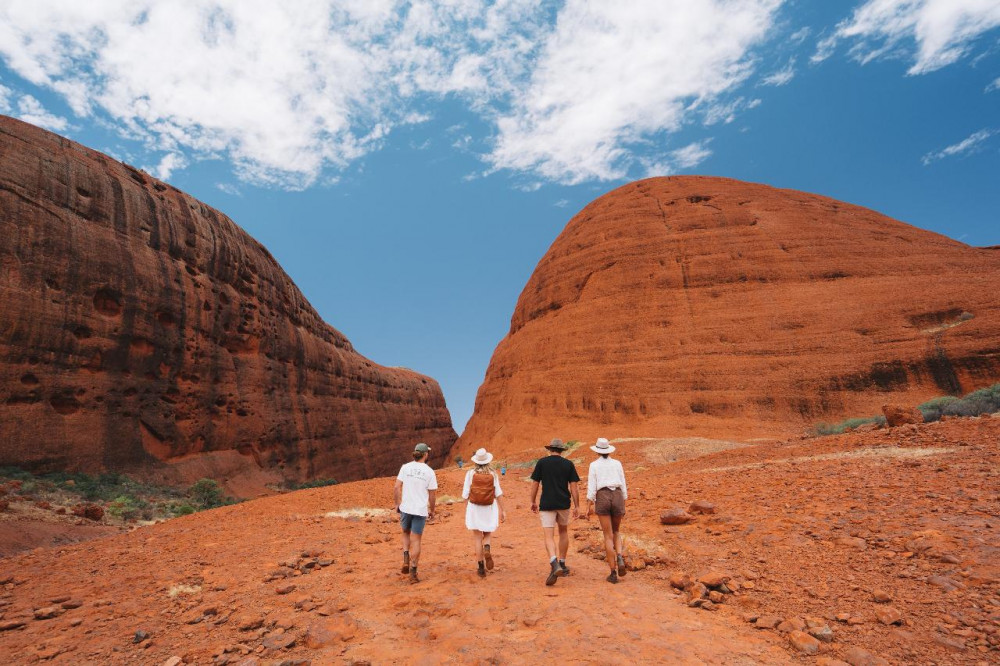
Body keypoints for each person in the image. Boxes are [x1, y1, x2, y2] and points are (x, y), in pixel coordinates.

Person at [529, 438, 583, 586]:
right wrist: (577, 506)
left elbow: (535, 484)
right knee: (563, 532)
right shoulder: (568, 464)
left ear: (550, 449)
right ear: (562, 450)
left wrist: (532, 501)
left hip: (547, 503)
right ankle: (563, 563)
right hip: (563, 503)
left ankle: (554, 563)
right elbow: (574, 488)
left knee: (548, 535)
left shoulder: (542, 463)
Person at [585, 438, 628, 583]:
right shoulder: (617, 463)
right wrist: (624, 500)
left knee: (607, 535)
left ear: (597, 451)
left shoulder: (594, 465)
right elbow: (623, 482)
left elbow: (592, 486)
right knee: (616, 531)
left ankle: (613, 572)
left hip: (602, 496)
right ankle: (620, 556)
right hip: (617, 495)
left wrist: (588, 506)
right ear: (608, 450)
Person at [394, 442, 438, 583]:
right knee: (417, 539)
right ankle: (413, 572)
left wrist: (397, 504)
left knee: (405, 533)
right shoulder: (430, 471)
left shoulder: (405, 467)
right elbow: (432, 495)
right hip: (420, 510)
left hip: (405, 508)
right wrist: (432, 510)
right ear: (425, 454)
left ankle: (406, 557)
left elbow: (396, 487)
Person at [461, 448, 507, 578]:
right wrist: (503, 510)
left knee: (477, 538)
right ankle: (487, 546)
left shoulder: (470, 473)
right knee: (487, 533)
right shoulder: (493, 473)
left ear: (476, 461)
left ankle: (481, 568)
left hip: (474, 507)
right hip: (489, 507)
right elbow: (498, 493)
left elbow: (465, 494)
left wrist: (467, 509)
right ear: (487, 460)